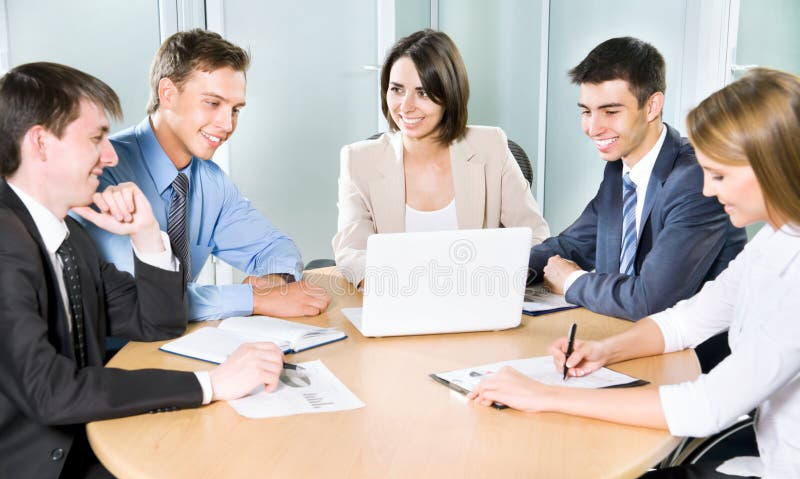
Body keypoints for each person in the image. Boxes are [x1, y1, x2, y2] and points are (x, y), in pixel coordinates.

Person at [470, 68, 800, 479]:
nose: (708, 189)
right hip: (768, 455)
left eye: (719, 175)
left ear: (772, 166)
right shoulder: (777, 238)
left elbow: (707, 405)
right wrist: (605, 350)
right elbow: (686, 320)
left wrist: (546, 396)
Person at [0, 62, 287, 479]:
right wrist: (210, 384)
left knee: (231, 474)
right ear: (40, 143)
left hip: (82, 443)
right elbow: (51, 392)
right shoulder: (5, 244)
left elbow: (157, 323)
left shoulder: (67, 234)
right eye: (96, 138)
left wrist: (148, 234)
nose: (111, 155)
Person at [79, 28, 330, 321]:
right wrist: (254, 299)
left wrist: (273, 283)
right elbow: (141, 295)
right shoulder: (100, 171)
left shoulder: (210, 182)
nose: (227, 124)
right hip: (121, 344)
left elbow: (275, 248)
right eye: (212, 103)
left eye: (235, 110)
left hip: (179, 339)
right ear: (168, 94)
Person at [528, 36, 746, 321]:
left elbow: (653, 300)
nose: (593, 128)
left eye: (610, 112)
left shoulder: (695, 178)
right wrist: (500, 270)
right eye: (586, 112)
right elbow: (571, 245)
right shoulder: (619, 170)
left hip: (690, 344)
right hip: (619, 332)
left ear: (652, 106)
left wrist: (572, 281)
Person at [333, 29, 550, 287]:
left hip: (477, 294)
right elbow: (352, 251)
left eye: (423, 92)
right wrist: (397, 287)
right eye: (397, 89)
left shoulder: (491, 147)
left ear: (450, 94)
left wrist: (493, 279)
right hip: (398, 297)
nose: (406, 106)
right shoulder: (358, 160)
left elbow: (535, 236)